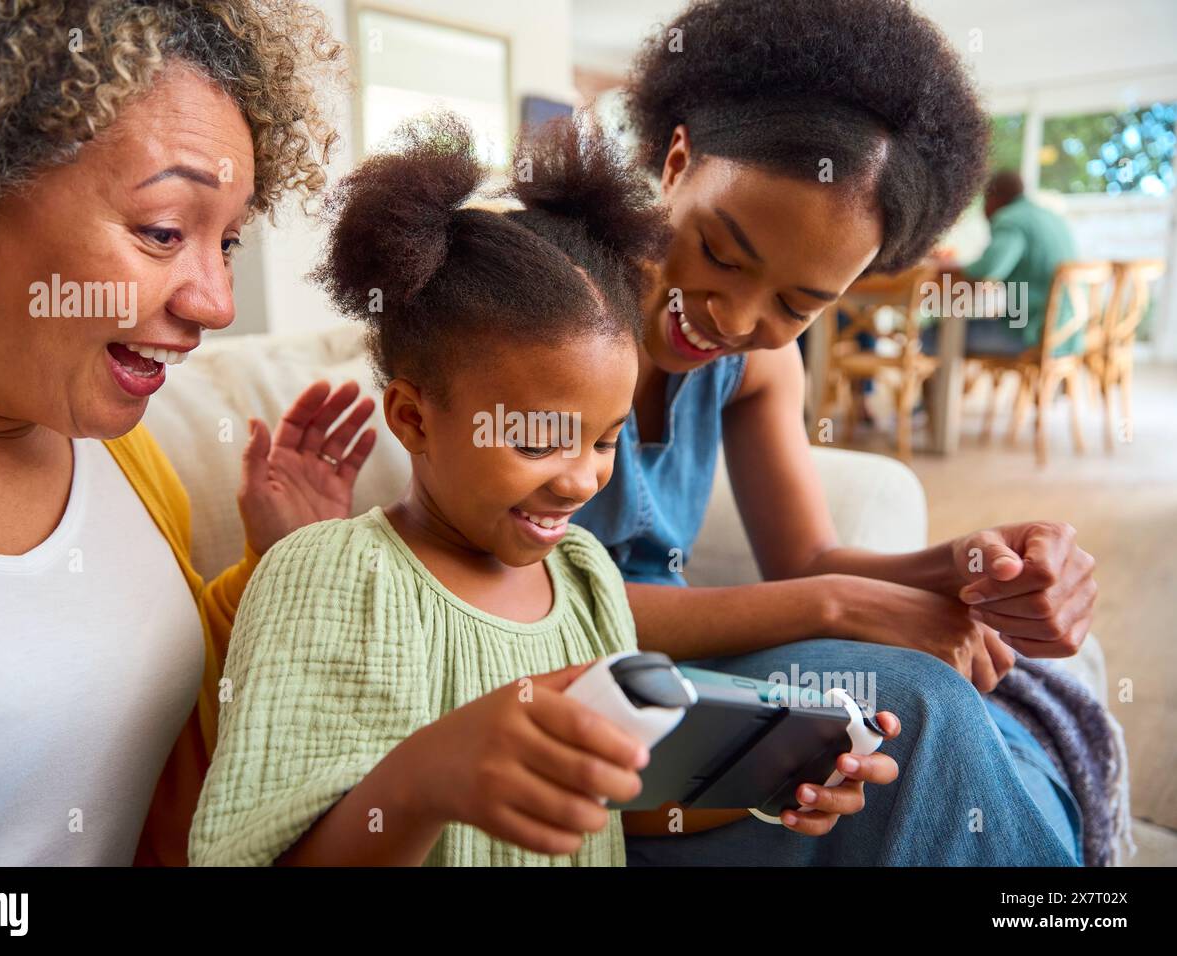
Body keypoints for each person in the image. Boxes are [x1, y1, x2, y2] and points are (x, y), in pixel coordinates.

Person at [188, 117, 903, 866]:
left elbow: (612, 814)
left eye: (605, 440)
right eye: (535, 440)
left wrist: (762, 787)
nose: (580, 479)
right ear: (411, 418)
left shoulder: (589, 577)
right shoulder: (328, 577)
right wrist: (429, 777)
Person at [571, 0, 1095, 864]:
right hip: (572, 689)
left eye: (796, 304)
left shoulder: (760, 368)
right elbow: (523, 608)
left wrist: (972, 564)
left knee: (986, 743)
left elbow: (806, 559)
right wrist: (843, 607)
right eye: (722, 252)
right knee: (920, 711)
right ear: (676, 161)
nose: (732, 317)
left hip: (681, 679)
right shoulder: (553, 319)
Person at [0, 0, 377, 866]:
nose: (214, 303)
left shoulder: (119, 451)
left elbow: (156, 736)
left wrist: (281, 570)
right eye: (162, 232)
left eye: (227, 242)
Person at [927, 170, 1080, 356]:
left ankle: (934, 385)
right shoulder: (1050, 217)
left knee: (934, 336)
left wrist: (948, 266)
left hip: (1031, 333)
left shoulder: (1012, 220)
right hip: (1069, 332)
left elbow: (988, 271)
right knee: (956, 329)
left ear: (993, 198)